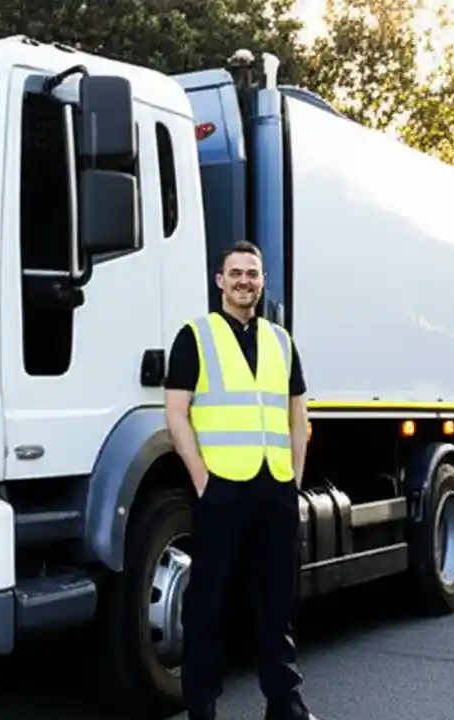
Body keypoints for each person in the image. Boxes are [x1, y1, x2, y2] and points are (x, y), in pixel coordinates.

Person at [164, 240, 315, 720]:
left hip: (275, 488)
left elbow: (298, 413)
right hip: (223, 488)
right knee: (209, 603)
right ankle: (202, 706)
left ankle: (284, 703)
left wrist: (294, 476)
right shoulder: (196, 335)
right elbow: (176, 413)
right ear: (219, 281)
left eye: (253, 273)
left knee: (275, 602)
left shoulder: (280, 340)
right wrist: (203, 480)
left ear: (263, 281)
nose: (245, 281)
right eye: (236, 273)